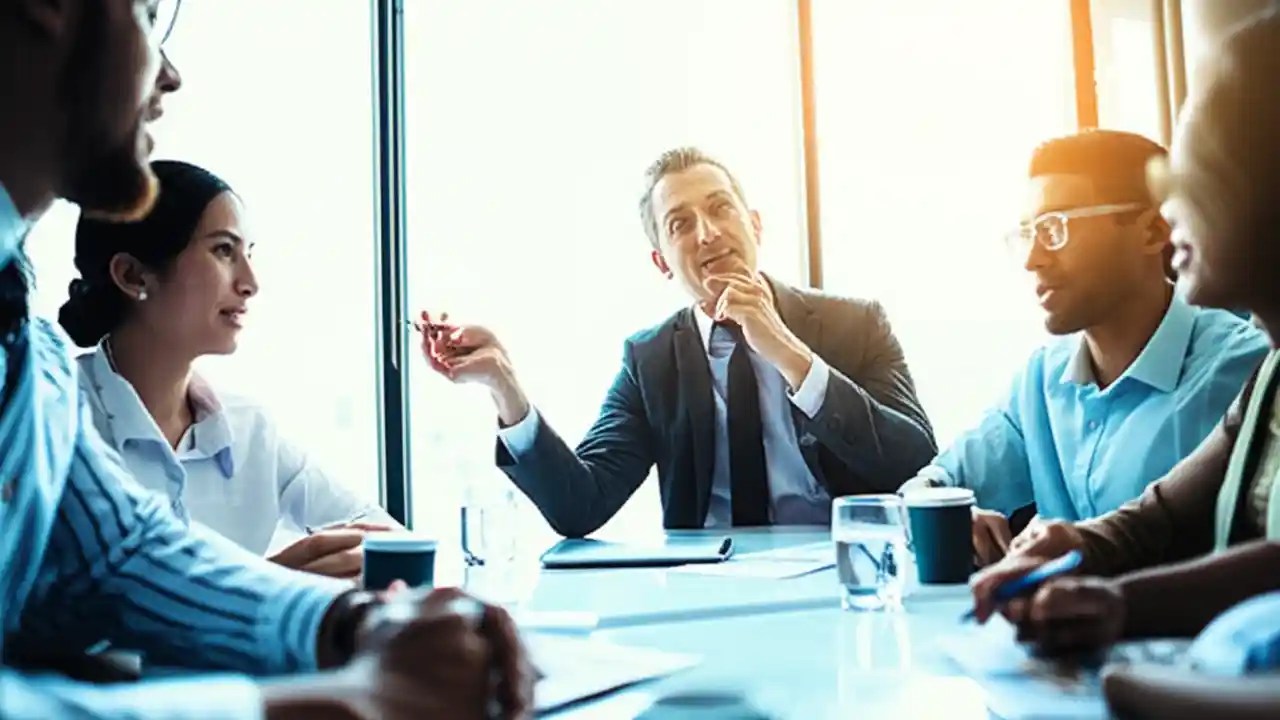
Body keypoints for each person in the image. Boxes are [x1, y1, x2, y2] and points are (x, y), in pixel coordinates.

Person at [0, 1, 530, 717]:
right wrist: (317, 703)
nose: (171, 73)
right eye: (147, 15)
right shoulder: (70, 386)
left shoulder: (34, 367)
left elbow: (124, 555)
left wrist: (350, 625)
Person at [969, 4, 1280, 665]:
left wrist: (1122, 611)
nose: (1170, 212)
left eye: (1190, 177)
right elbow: (1162, 513)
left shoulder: (1238, 358)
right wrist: (1075, 546)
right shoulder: (1269, 380)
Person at [421, 146, 936, 538]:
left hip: (844, 573)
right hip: (707, 589)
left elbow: (915, 463)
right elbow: (579, 505)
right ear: (662, 261)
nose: (708, 234)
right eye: (680, 224)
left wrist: (788, 353)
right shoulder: (650, 360)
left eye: (721, 210)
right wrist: (503, 386)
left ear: (755, 224)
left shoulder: (857, 324)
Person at [902, 130, 1268, 565]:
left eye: (1055, 228)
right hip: (1056, 626)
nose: (1032, 258)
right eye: (1028, 233)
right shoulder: (1040, 380)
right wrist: (946, 516)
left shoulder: (1244, 367)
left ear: (1153, 231)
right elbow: (927, 488)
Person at [60, 159, 402, 579]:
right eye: (223, 250)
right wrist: (260, 591)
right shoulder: (52, 424)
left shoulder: (249, 429)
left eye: (248, 254)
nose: (251, 282)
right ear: (132, 275)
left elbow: (391, 541)